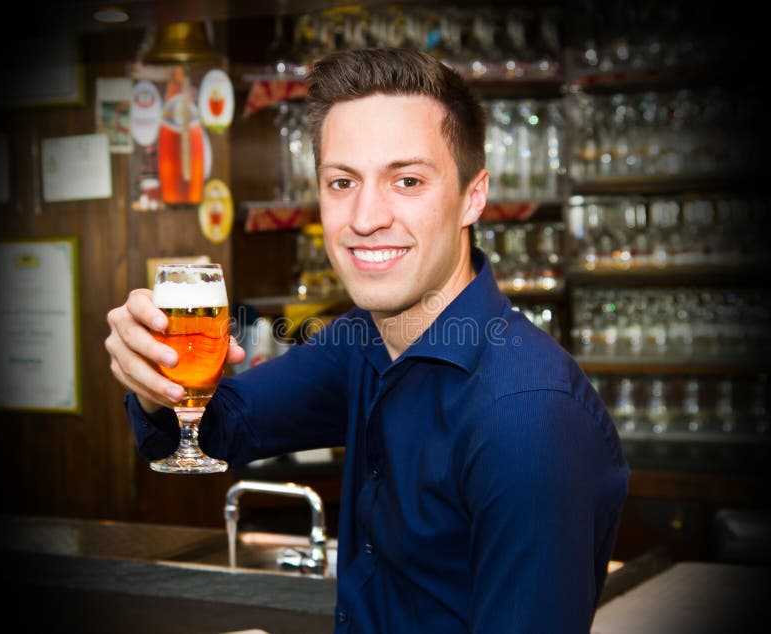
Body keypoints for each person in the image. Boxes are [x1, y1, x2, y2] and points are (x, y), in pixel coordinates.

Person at [106, 47, 629, 633]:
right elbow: (224, 428)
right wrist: (152, 381)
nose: (365, 216)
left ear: (472, 197)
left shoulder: (527, 418)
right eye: (342, 181)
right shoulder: (364, 339)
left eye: (406, 180)